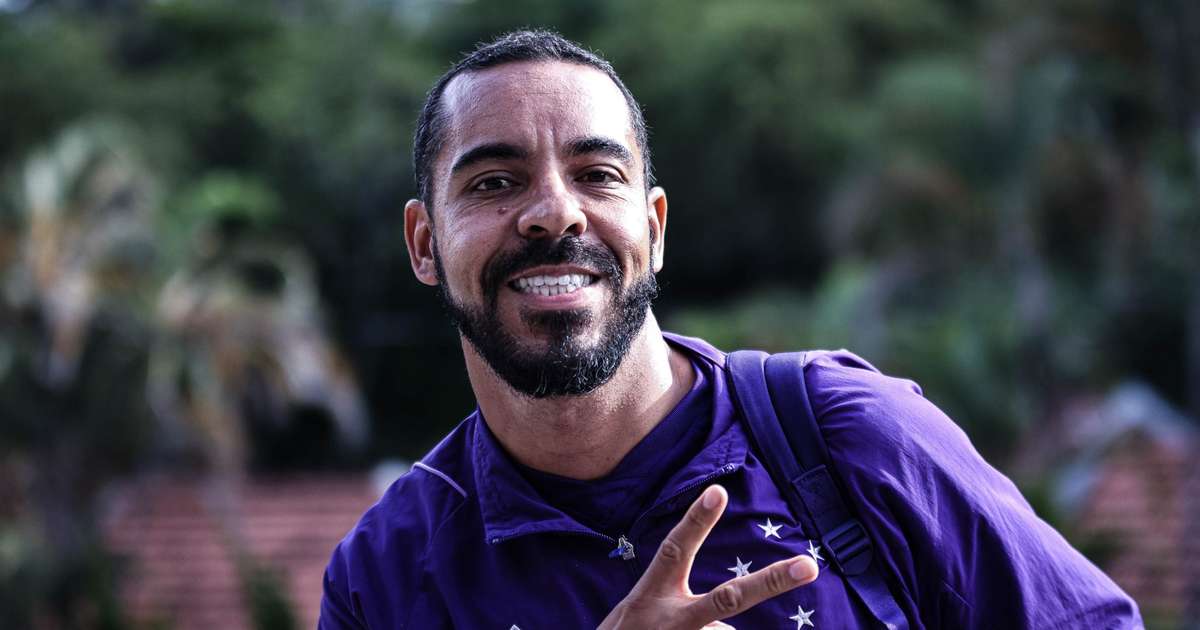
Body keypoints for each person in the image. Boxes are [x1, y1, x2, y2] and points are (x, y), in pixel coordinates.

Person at [320, 30, 1142, 629]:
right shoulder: (387, 576)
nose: (554, 213)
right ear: (426, 244)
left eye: (596, 175)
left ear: (656, 228)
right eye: (495, 181)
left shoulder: (848, 432)